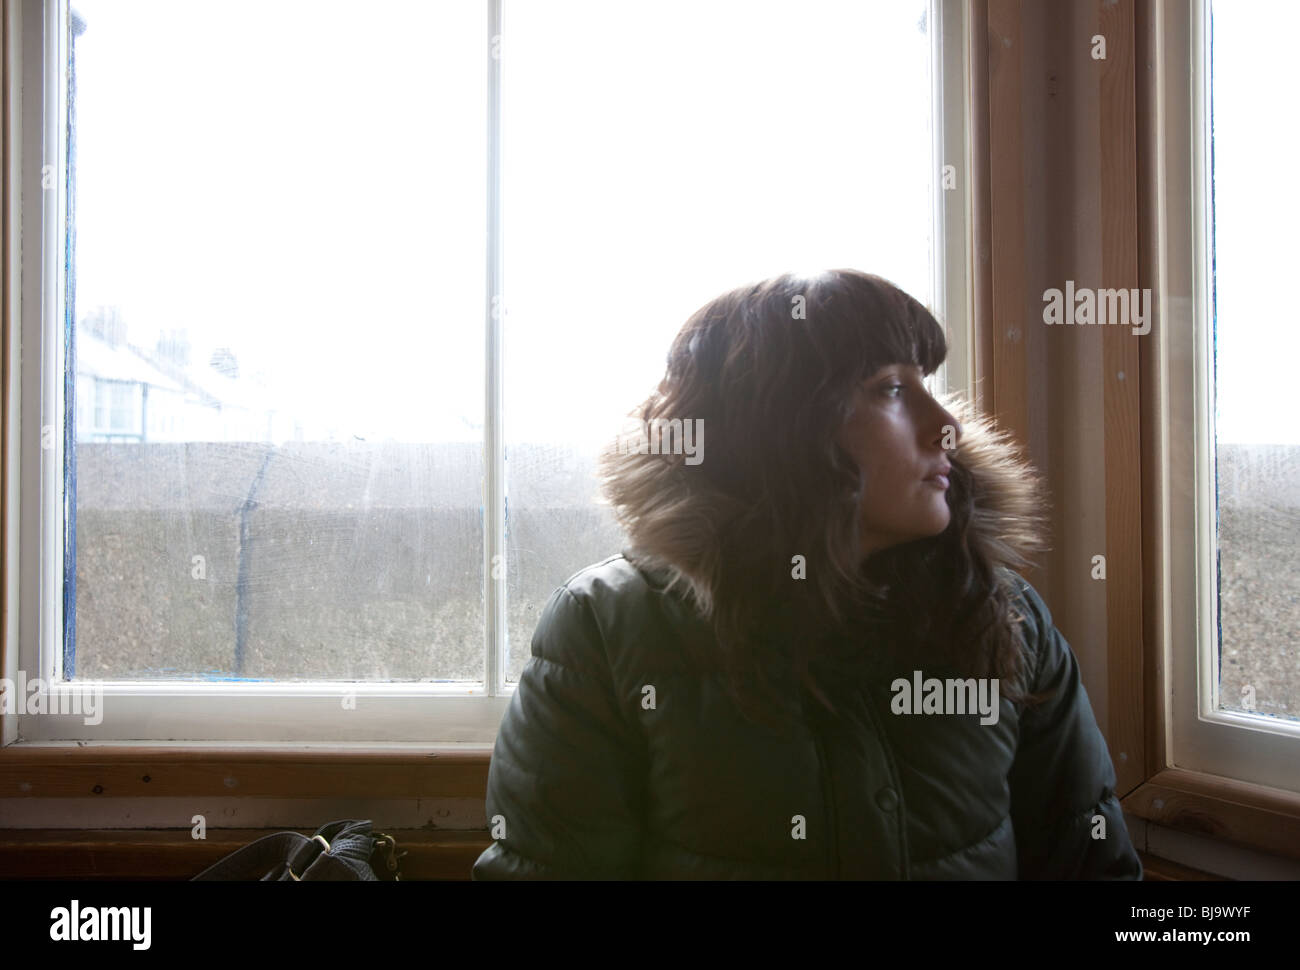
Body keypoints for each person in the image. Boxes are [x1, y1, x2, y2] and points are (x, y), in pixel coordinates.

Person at [471, 269, 1142, 880]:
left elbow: (1093, 870)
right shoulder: (607, 628)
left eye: (929, 388)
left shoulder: (1006, 616)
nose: (947, 427)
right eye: (890, 389)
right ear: (780, 429)